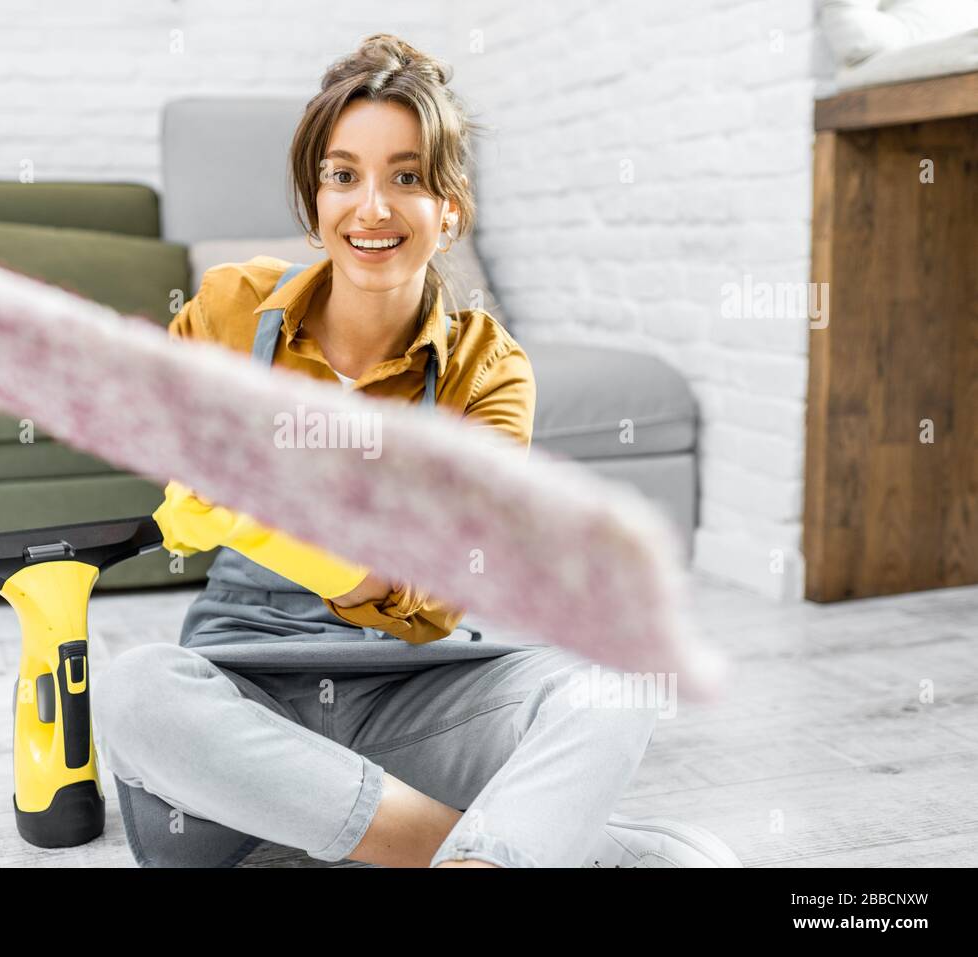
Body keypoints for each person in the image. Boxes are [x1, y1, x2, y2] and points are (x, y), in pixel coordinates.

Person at [93, 33, 740, 868]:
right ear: (312, 197)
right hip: (244, 707)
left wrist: (259, 514)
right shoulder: (229, 308)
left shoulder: (487, 368)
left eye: (407, 176)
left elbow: (432, 592)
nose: (372, 208)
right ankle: (508, 848)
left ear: (452, 206)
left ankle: (449, 847)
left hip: (419, 696)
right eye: (343, 175)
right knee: (134, 690)